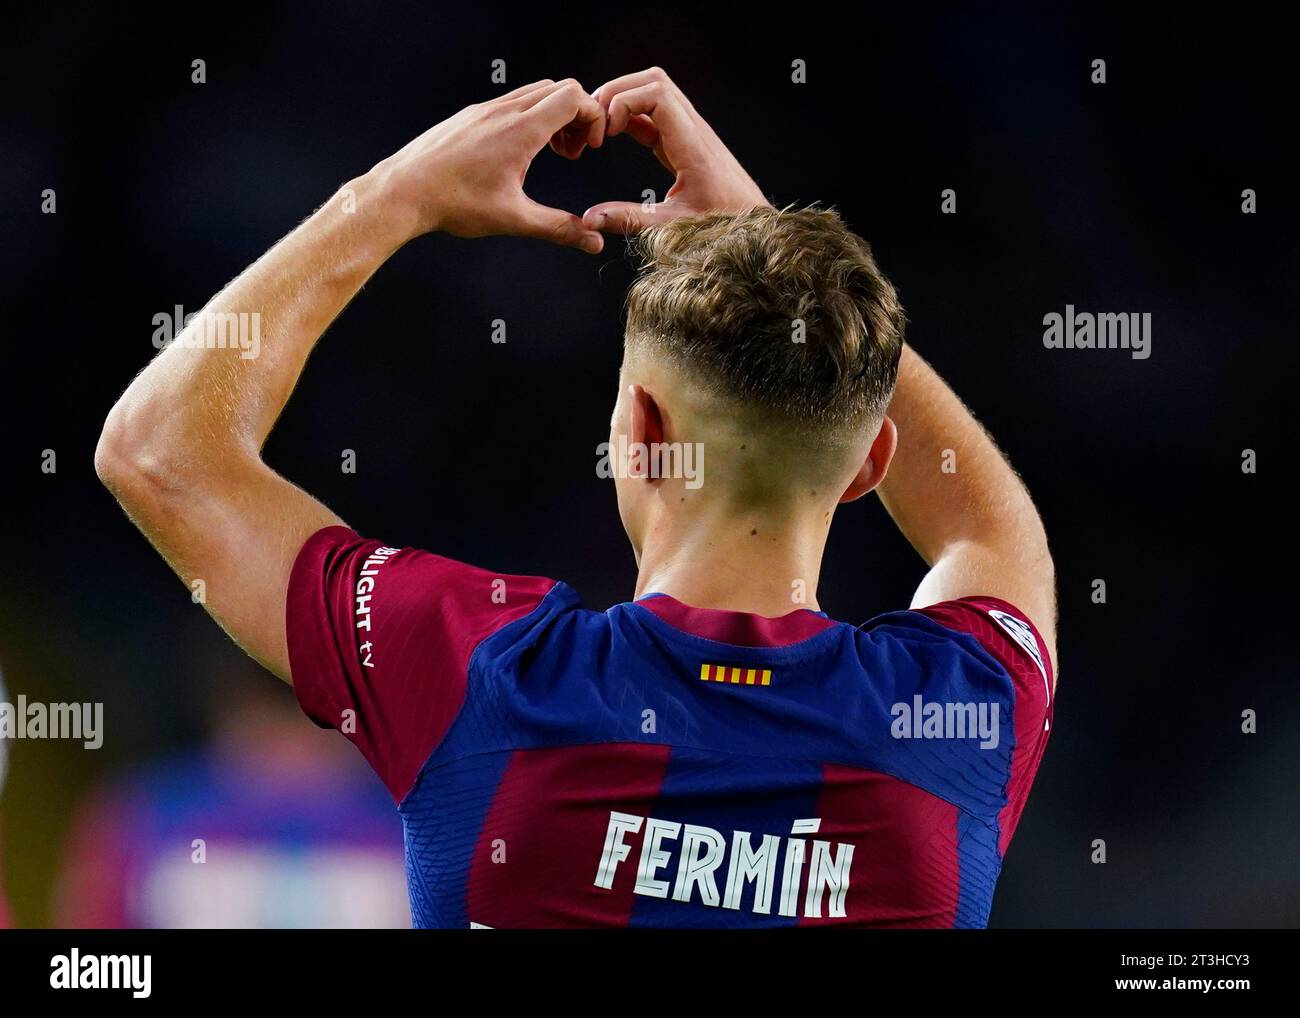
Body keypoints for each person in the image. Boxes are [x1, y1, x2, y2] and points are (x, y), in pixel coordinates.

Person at [96, 69, 1056, 927]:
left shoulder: (486, 675)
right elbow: (987, 523)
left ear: (637, 432)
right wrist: (774, 249)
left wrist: (390, 195)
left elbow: (158, 451)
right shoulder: (959, 719)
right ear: (869, 461)